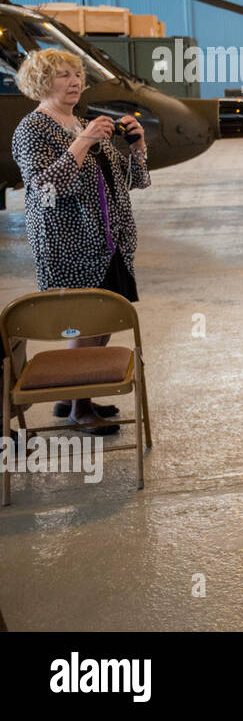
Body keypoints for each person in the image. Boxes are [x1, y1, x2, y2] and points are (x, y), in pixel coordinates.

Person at [10, 48, 150, 436]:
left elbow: (129, 181)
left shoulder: (81, 122)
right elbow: (45, 189)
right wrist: (83, 141)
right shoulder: (33, 129)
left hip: (110, 242)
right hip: (69, 244)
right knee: (82, 322)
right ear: (41, 82)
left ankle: (75, 394)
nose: (73, 82)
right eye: (62, 75)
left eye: (76, 74)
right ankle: (78, 408)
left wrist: (137, 148)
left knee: (102, 318)